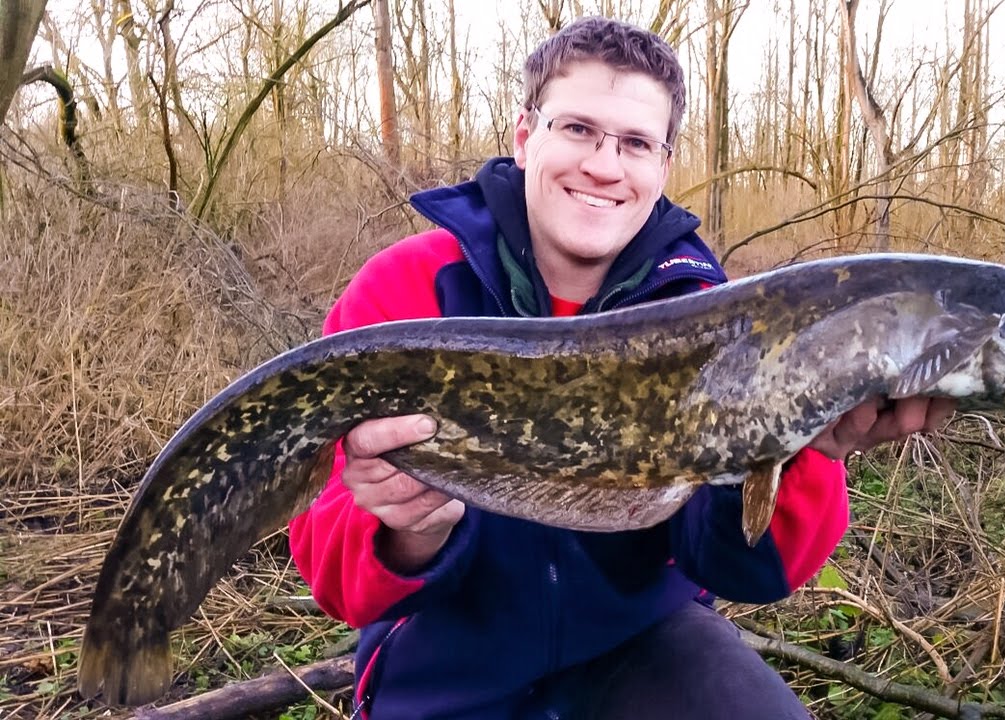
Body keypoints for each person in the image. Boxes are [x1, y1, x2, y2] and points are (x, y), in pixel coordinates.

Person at [288, 16, 953, 720]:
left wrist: (804, 451)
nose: (604, 165)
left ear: (662, 167)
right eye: (577, 129)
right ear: (524, 134)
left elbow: (750, 569)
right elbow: (337, 584)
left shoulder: (705, 310)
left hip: (642, 644)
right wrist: (408, 530)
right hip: (448, 659)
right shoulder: (407, 293)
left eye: (635, 142)